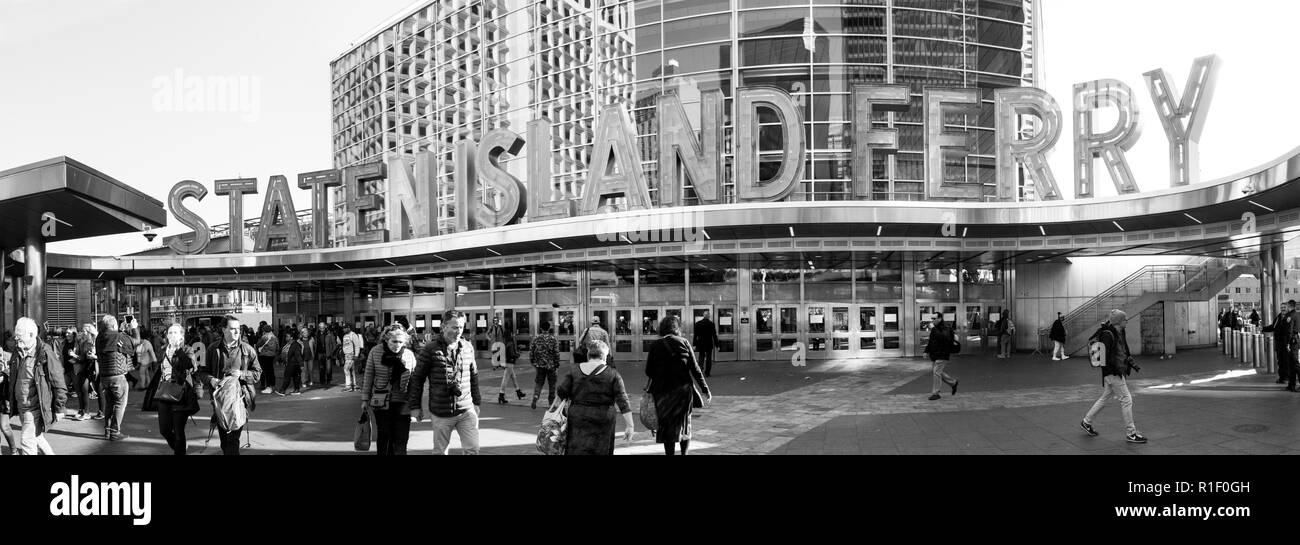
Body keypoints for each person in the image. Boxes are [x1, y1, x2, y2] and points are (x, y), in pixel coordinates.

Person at [408, 310, 481, 455]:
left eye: (461, 327)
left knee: (472, 449)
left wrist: (477, 402)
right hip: (441, 412)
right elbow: (417, 379)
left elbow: (474, 376)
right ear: (443, 327)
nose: (458, 331)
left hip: (466, 410)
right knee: (440, 451)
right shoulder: (430, 349)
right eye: (454, 327)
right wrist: (415, 407)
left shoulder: (467, 347)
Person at [645, 315, 711, 455]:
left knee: (666, 424)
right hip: (683, 392)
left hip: (662, 392)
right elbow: (695, 369)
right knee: (685, 423)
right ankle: (684, 453)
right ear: (677, 328)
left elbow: (648, 371)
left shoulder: (655, 345)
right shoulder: (684, 342)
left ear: (662, 329)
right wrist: (705, 389)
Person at [197, 315, 262, 455]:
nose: (237, 332)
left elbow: (257, 373)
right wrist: (211, 380)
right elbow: (201, 373)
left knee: (233, 440)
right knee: (225, 442)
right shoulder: (212, 349)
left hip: (240, 400)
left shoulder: (247, 350)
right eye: (233, 329)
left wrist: (242, 374)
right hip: (219, 401)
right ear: (224, 329)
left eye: (238, 329)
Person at [1080, 309, 1146, 444]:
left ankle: (1086, 421)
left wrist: (1129, 362)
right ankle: (1131, 433)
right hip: (1113, 373)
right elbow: (1105, 358)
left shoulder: (1119, 331)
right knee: (1126, 399)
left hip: (1114, 372)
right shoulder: (1108, 335)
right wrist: (1114, 372)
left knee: (1105, 398)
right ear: (1119, 321)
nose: (1127, 321)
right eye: (1125, 320)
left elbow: (1122, 350)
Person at [557, 339, 634, 455]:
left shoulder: (574, 371)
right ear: (604, 356)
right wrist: (630, 425)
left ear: (588, 354)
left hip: (578, 416)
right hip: (603, 418)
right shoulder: (613, 374)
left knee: (576, 449)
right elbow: (623, 401)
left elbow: (561, 392)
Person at [3, 318, 66, 455]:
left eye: (20, 337)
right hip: (22, 406)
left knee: (27, 441)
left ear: (31, 335)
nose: (17, 340)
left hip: (35, 407)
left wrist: (60, 407)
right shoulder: (17, 351)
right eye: (16, 337)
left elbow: (58, 380)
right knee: (36, 438)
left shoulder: (45, 353)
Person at [361, 324, 417, 455]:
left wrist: (415, 405)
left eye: (400, 342)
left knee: (401, 438)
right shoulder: (375, 351)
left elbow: (415, 382)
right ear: (386, 339)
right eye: (394, 341)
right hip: (380, 401)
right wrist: (365, 398)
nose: (397, 345)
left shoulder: (409, 355)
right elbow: (368, 375)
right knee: (385, 435)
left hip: (403, 401)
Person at [150, 324, 199, 455]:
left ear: (182, 336)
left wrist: (178, 350)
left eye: (175, 333)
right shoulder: (164, 349)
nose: (172, 335)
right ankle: (180, 446)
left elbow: (191, 367)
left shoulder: (187, 349)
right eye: (170, 333)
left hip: (180, 393)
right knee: (164, 430)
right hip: (165, 391)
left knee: (178, 431)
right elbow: (160, 369)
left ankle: (179, 450)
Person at [96, 315, 136, 441]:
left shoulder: (99, 338)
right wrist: (134, 328)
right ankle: (115, 431)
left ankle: (107, 429)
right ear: (114, 325)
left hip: (104, 376)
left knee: (109, 403)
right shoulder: (119, 336)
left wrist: (122, 331)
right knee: (120, 404)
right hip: (118, 376)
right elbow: (135, 343)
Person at [68, 323, 103, 421]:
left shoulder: (97, 340)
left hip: (95, 366)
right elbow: (83, 356)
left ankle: (102, 411)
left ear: (89, 332)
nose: (82, 333)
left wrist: (94, 356)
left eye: (83, 331)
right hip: (87, 366)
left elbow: (102, 355)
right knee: (84, 389)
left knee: (99, 390)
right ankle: (85, 412)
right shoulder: (84, 341)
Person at [1263, 300, 1299, 390]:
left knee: (1291, 362)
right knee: (1282, 361)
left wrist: (1287, 343)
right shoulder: (1279, 317)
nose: (1283, 309)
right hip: (1281, 343)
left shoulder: (1289, 316)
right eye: (1281, 308)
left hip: (1289, 342)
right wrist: (1263, 329)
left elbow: (1289, 331)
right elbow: (1273, 327)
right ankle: (1287, 381)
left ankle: (1288, 380)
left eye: (1284, 307)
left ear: (1288, 307)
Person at [923, 313, 959, 401]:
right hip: (935, 354)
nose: (932, 320)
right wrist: (926, 351)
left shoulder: (946, 328)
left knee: (936, 372)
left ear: (940, 319)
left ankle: (936, 393)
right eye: (932, 318)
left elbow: (943, 338)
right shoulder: (935, 329)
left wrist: (933, 329)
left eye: (934, 318)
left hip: (943, 354)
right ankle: (953, 383)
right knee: (938, 372)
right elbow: (931, 341)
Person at [490, 317, 524, 404]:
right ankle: (501, 395)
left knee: (513, 377)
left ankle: (518, 392)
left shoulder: (503, 342)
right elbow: (512, 354)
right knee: (505, 379)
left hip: (505, 362)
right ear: (510, 335)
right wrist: (518, 354)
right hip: (509, 362)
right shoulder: (510, 343)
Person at [530, 321, 560, 410]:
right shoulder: (553, 339)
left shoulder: (536, 338)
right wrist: (557, 364)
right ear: (549, 328)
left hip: (539, 365)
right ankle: (551, 403)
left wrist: (533, 362)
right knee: (552, 384)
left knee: (539, 383)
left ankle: (535, 397)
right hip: (551, 366)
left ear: (541, 328)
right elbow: (556, 353)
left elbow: (531, 352)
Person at [276, 328, 308, 396]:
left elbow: (298, 355)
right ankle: (296, 390)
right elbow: (283, 354)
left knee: (287, 377)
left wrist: (301, 365)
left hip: (293, 364)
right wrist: (279, 360)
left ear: (291, 337)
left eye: (287, 336)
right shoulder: (288, 344)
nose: (286, 338)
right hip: (293, 364)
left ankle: (282, 390)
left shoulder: (295, 345)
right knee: (295, 377)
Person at [693, 311, 719, 377]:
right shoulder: (711, 324)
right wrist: (717, 345)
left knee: (701, 357)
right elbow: (714, 335)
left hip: (700, 343)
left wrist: (694, 345)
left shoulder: (697, 323)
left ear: (703, 315)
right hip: (708, 343)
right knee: (708, 358)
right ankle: (707, 373)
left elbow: (695, 335)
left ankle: (700, 370)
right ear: (708, 316)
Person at [255, 325, 279, 394]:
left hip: (264, 356)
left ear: (264, 330)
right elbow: (278, 347)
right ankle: (273, 386)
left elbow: (258, 345)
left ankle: (268, 387)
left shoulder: (264, 337)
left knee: (266, 372)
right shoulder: (274, 337)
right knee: (271, 371)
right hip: (272, 356)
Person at [342, 324, 364, 392]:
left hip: (351, 354)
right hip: (346, 355)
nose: (344, 329)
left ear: (349, 328)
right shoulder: (345, 335)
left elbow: (357, 345)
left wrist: (356, 355)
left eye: (345, 328)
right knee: (352, 370)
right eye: (343, 328)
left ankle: (348, 386)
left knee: (346, 369)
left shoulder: (353, 335)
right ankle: (354, 385)